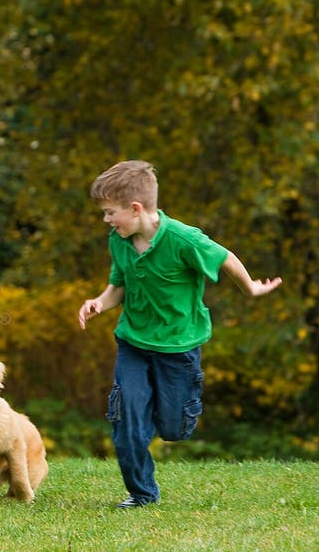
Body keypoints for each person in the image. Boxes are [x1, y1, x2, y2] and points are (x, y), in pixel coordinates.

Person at [77, 160, 282, 508]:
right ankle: (142, 493)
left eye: (110, 212)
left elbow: (224, 257)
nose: (107, 220)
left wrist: (250, 287)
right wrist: (99, 302)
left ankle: (168, 412)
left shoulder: (183, 239)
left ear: (135, 208)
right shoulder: (119, 241)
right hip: (133, 342)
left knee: (173, 427)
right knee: (126, 419)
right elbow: (119, 286)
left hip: (178, 347)